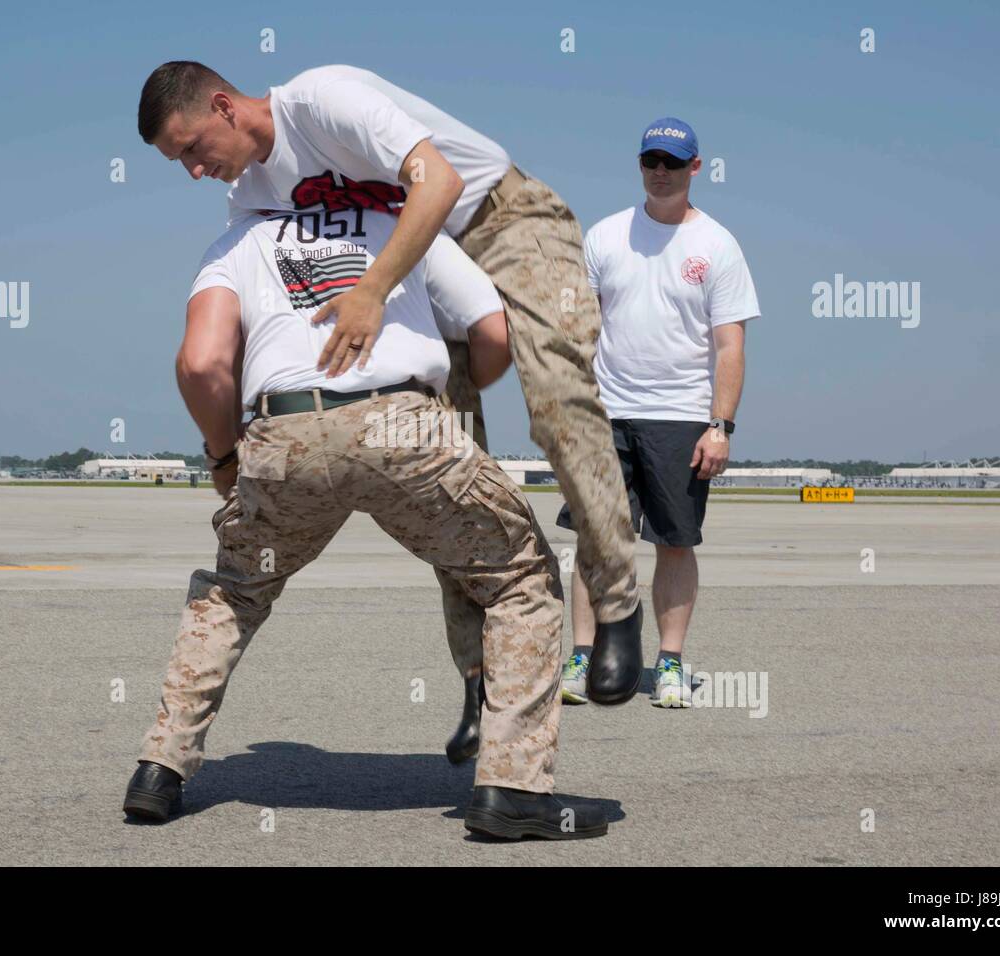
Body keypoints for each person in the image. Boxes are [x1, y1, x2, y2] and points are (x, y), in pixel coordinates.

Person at [136, 61, 647, 727]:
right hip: (419, 267)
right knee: (455, 478)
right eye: (179, 164)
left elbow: (439, 180)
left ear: (226, 108)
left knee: (556, 400)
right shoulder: (251, 195)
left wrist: (373, 292)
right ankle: (481, 677)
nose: (194, 172)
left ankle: (615, 602)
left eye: (191, 149)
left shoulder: (321, 100)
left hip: (499, 222)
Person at [122, 203, 609, 840]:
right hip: (400, 425)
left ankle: (160, 769)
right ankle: (513, 788)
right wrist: (454, 405)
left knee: (236, 592)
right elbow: (492, 330)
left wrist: (223, 455)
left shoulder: (239, 241)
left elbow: (200, 364)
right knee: (519, 578)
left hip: (285, 429)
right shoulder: (404, 225)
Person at [558, 118, 759, 708]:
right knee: (597, 540)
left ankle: (669, 664)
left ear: (696, 167)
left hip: (681, 418)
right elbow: (577, 329)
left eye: (672, 161)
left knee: (674, 542)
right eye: (651, 160)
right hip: (606, 413)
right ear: (640, 164)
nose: (660, 171)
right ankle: (582, 657)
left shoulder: (718, 245)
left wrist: (719, 426)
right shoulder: (605, 236)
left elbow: (730, 346)